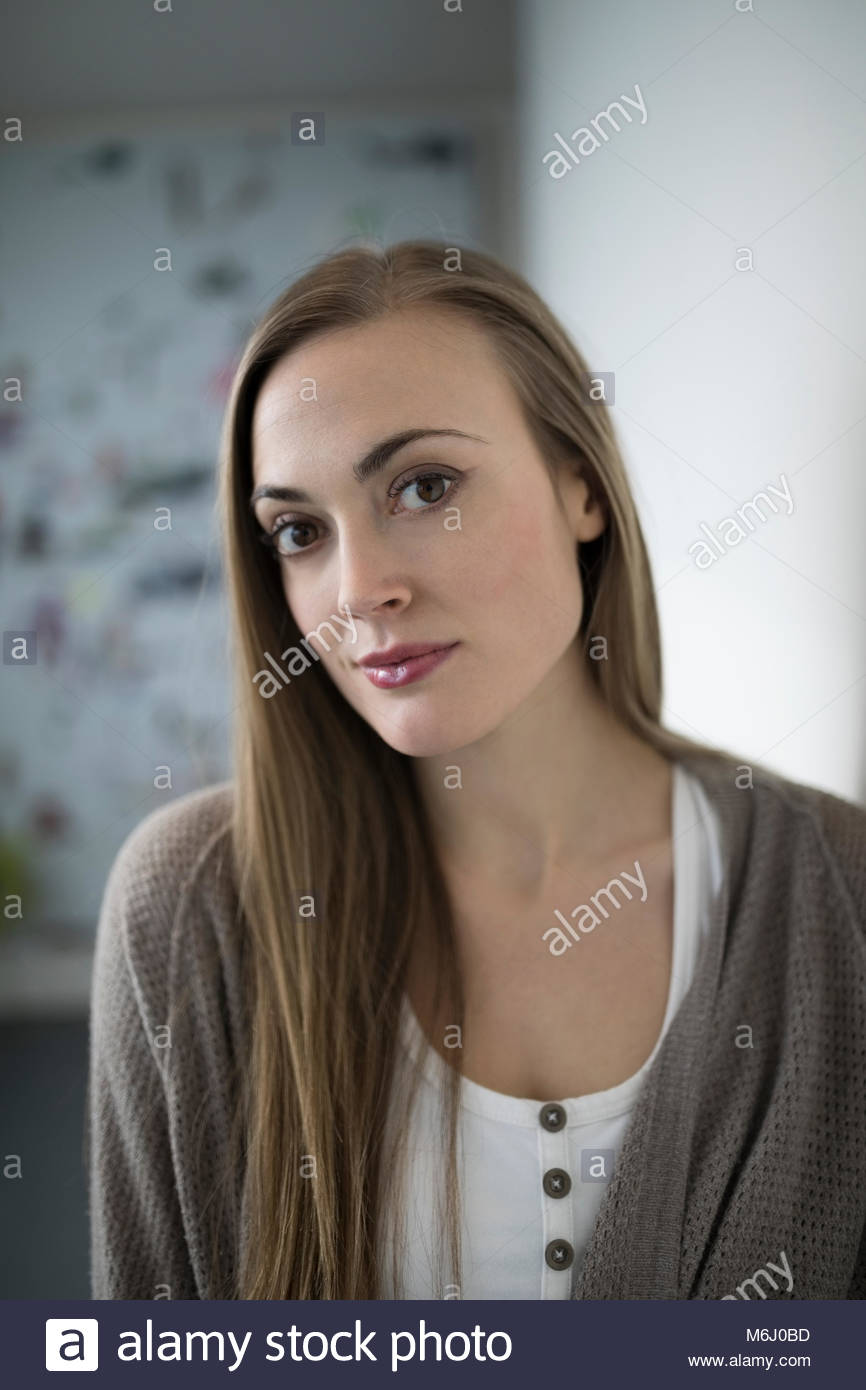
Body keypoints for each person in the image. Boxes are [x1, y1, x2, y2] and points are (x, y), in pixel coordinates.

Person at [87, 240, 866, 1301]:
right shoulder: (190, 905)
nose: (358, 591)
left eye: (422, 485)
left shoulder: (836, 883)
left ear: (579, 486)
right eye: (299, 530)